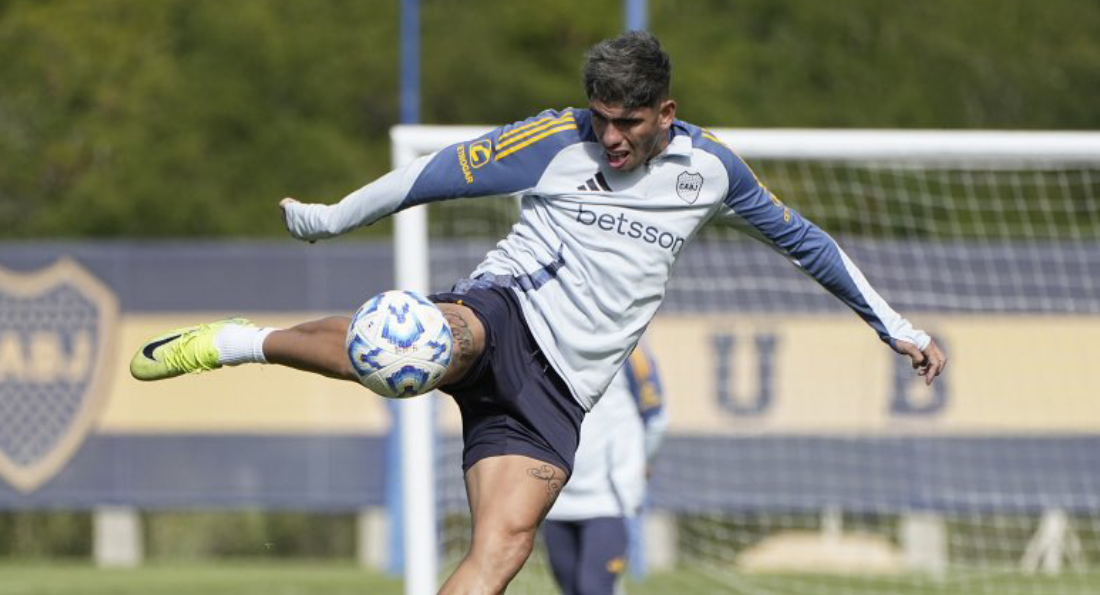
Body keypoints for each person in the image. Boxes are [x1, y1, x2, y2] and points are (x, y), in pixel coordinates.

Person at [129, 30, 946, 595]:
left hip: (559, 396)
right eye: (602, 118)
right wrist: (333, 216)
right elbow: (435, 172)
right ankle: (236, 341)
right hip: (504, 315)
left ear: (666, 112)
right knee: (406, 347)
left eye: (629, 122)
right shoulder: (558, 140)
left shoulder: (713, 172)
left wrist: (896, 327)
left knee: (502, 552)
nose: (612, 137)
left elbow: (807, 243)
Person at [541, 344, 666, 595]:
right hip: (554, 498)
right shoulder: (543, 341)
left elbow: (656, 420)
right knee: (572, 589)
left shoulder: (630, 350)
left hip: (608, 500)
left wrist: (642, 464)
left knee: (594, 588)